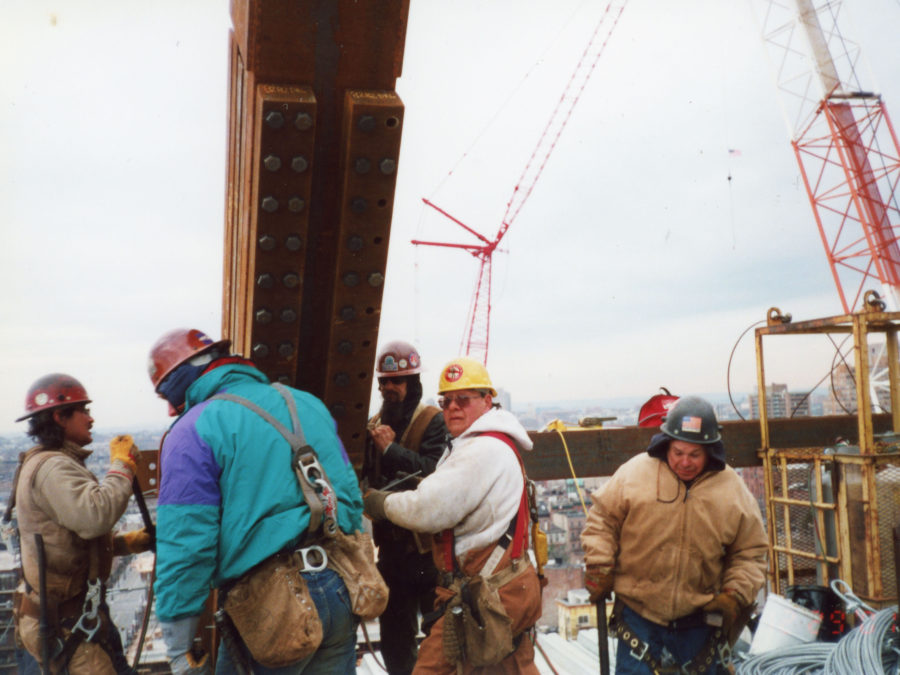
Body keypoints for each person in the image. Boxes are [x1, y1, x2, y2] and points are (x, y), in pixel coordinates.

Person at [147, 328, 364, 675]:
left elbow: (186, 545)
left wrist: (177, 643)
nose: (172, 409)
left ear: (178, 382)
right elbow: (349, 502)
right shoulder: (306, 404)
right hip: (337, 588)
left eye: (167, 396)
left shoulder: (192, 430)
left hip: (271, 606)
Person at [364, 357, 542, 674]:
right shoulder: (490, 443)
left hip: (486, 592)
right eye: (446, 401)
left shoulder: (481, 449)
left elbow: (427, 509)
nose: (453, 408)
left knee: (433, 668)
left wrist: (380, 503)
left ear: (488, 401)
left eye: (464, 399)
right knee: (510, 665)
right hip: (506, 587)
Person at [580, 396, 767, 675]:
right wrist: (599, 564)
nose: (685, 462)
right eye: (678, 452)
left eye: (694, 455)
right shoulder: (636, 473)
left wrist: (734, 594)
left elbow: (750, 552)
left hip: (701, 618)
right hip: (638, 612)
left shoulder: (732, 489)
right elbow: (602, 519)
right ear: (666, 444)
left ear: (710, 451)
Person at [10, 373, 150, 674]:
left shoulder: (54, 463)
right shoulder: (53, 467)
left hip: (71, 618)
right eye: (83, 411)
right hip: (67, 624)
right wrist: (122, 466)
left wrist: (126, 543)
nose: (90, 419)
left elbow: (68, 540)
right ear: (60, 417)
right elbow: (94, 519)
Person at [362, 341, 447, 675]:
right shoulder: (373, 424)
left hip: (426, 551)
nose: (388, 389)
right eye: (383, 382)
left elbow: (436, 473)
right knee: (396, 641)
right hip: (392, 551)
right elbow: (366, 479)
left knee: (436, 638)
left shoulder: (433, 421)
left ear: (412, 383)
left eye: (395, 382)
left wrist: (392, 450)